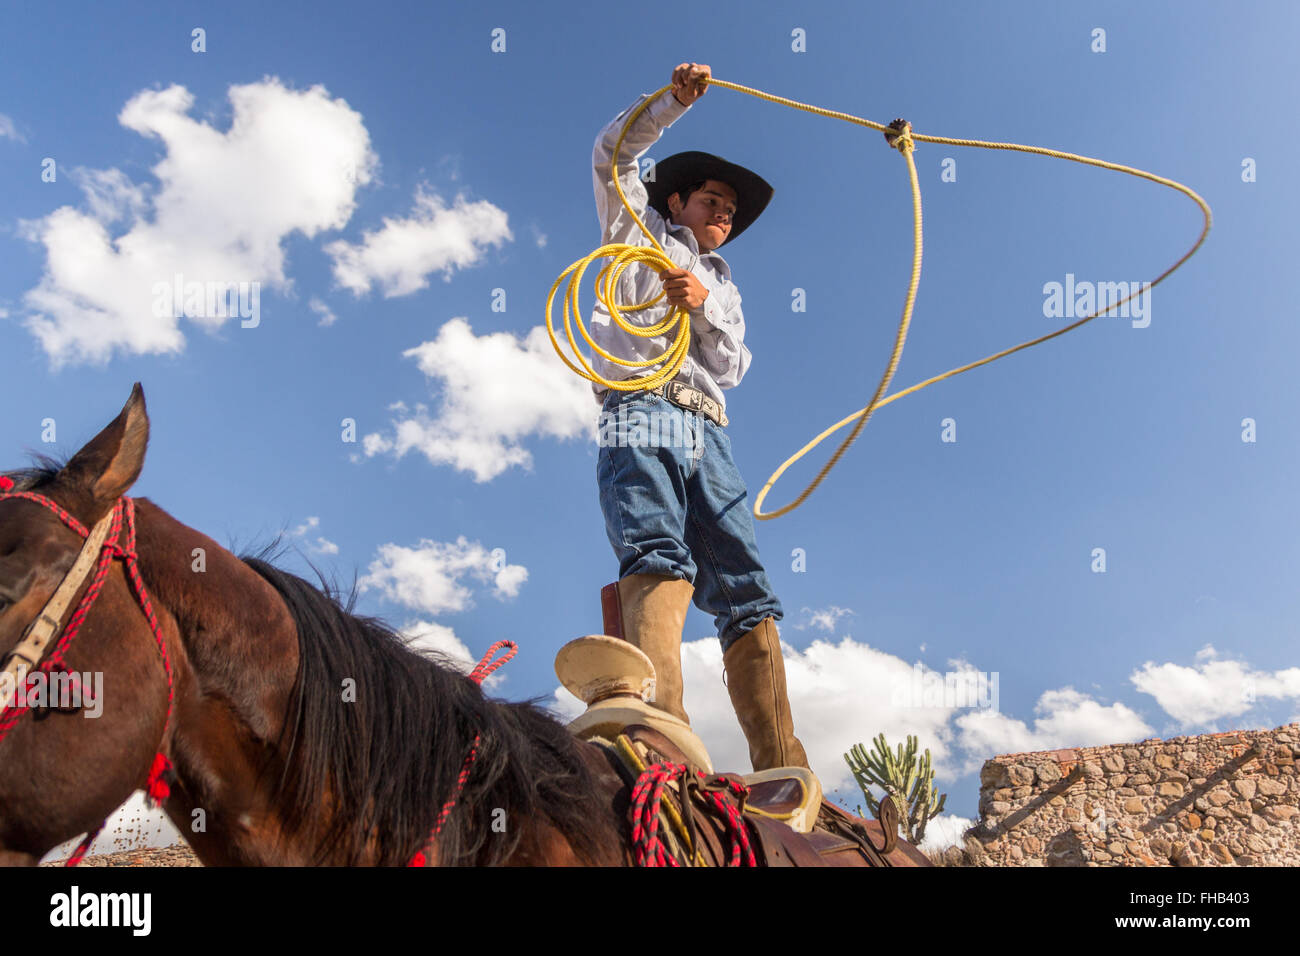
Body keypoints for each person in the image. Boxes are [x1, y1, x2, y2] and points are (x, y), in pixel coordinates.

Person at [591, 62, 809, 772]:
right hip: (639, 408)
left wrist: (703, 302)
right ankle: (666, 731)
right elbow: (611, 154)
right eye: (714, 201)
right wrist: (670, 103)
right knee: (656, 548)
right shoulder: (633, 227)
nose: (724, 216)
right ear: (676, 199)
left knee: (746, 584)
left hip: (707, 427)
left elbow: (734, 367)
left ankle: (783, 764)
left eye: (732, 213)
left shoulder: (724, 285)